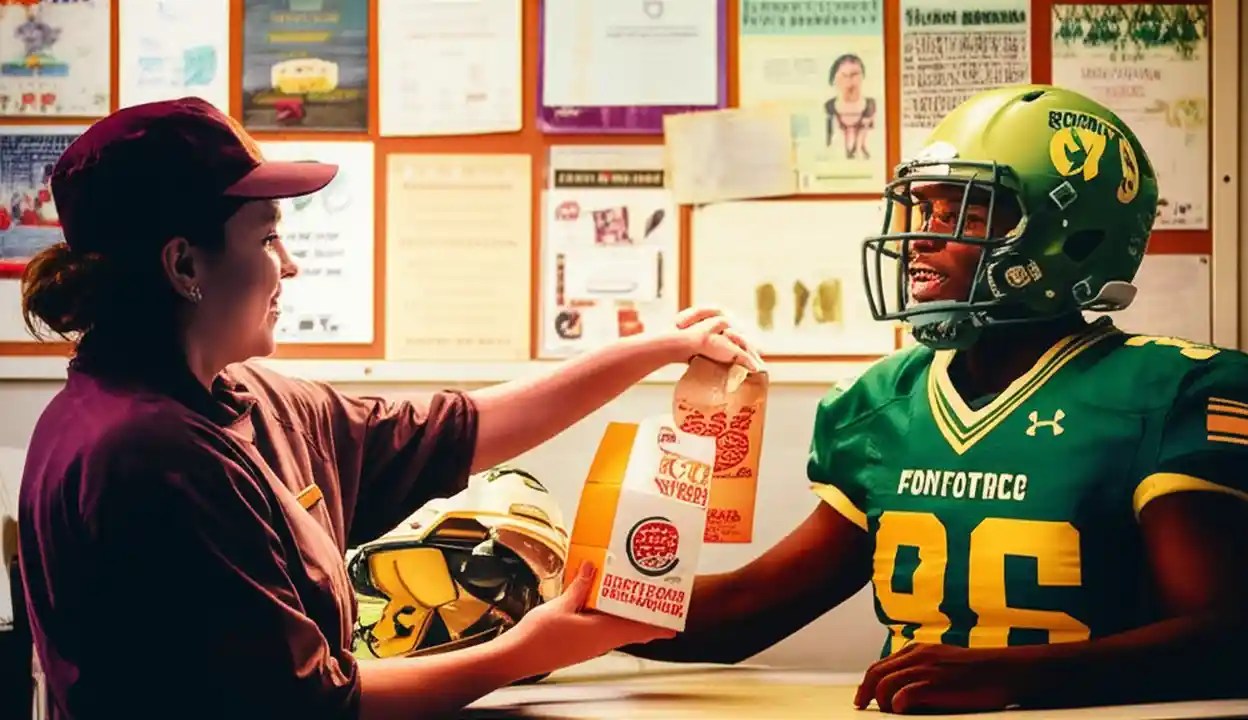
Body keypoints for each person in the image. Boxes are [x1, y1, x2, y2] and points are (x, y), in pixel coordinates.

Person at [14, 96, 762, 720]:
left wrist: (653, 350)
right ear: (184, 265)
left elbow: (460, 430)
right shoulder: (144, 452)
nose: (291, 264)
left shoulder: (249, 400)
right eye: (269, 238)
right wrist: (531, 650)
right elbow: (307, 705)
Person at [626, 84, 1248, 714]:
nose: (923, 238)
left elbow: (1223, 642)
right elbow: (750, 610)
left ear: (1068, 238)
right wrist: (562, 605)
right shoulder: (883, 399)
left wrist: (1011, 676)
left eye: (964, 214)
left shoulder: (1171, 391)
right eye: (924, 210)